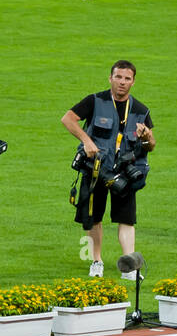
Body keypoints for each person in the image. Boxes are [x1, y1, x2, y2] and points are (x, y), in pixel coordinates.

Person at [61, 60, 156, 280]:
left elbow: (151, 146)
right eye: (118, 77)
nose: (122, 82)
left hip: (126, 171)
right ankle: (97, 261)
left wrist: (147, 138)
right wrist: (86, 140)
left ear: (133, 81)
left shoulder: (141, 110)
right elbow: (68, 119)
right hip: (96, 169)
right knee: (94, 217)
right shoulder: (95, 101)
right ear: (110, 78)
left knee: (127, 219)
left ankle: (129, 265)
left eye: (127, 78)